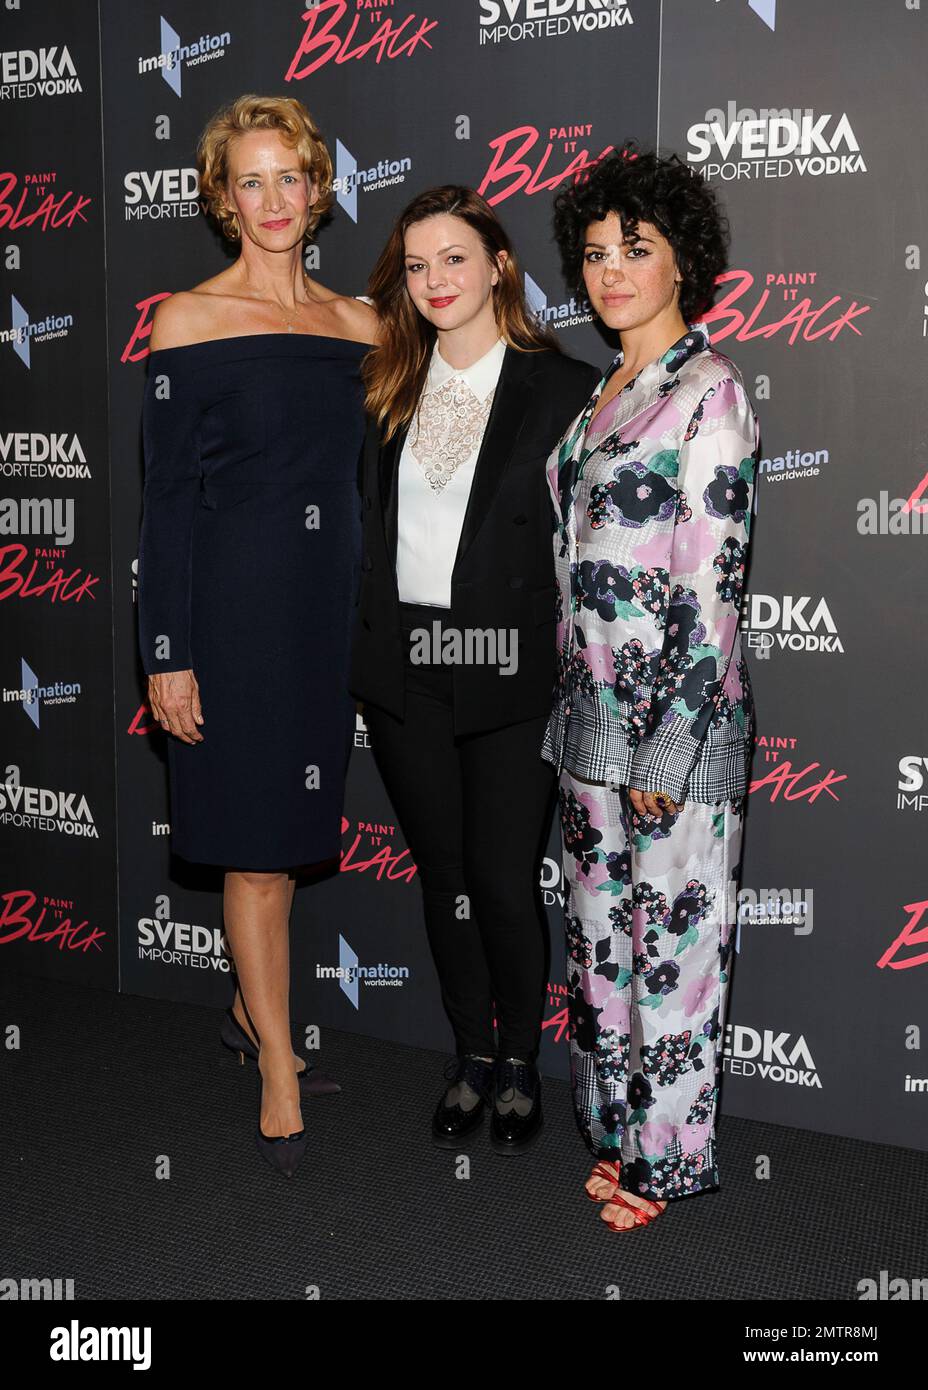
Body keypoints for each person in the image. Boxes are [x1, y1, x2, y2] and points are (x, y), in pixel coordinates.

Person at [137, 94, 379, 1178]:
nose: (274, 198)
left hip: (322, 620)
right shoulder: (187, 320)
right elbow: (166, 505)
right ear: (220, 195)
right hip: (227, 621)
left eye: (293, 177)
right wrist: (165, 648)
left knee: (289, 842)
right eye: (252, 179)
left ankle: (250, 1011)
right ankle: (279, 1056)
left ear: (319, 189)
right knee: (254, 849)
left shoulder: (363, 324)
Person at [348, 186, 600, 1153]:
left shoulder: (563, 388)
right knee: (442, 875)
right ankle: (469, 1056)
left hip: (509, 668)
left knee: (501, 879)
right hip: (406, 665)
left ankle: (522, 1066)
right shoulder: (385, 384)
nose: (433, 282)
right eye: (415, 267)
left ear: (498, 263)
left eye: (453, 258)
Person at [542, 142, 760, 1228]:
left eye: (636, 246)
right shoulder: (604, 391)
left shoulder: (709, 392)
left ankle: (665, 1164)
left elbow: (712, 587)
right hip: (588, 723)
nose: (611, 269)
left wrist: (664, 752)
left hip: (674, 726)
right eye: (593, 252)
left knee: (670, 952)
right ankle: (620, 1133)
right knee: (598, 942)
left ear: (684, 259)